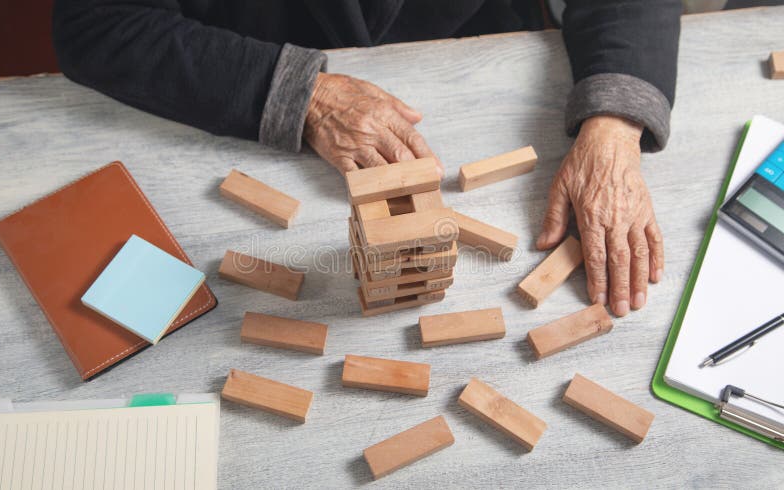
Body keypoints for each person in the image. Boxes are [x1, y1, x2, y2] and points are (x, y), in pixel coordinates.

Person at [52, 0, 681, 317]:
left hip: (487, 58)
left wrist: (615, 120)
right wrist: (302, 94)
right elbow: (94, 22)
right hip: (241, 69)